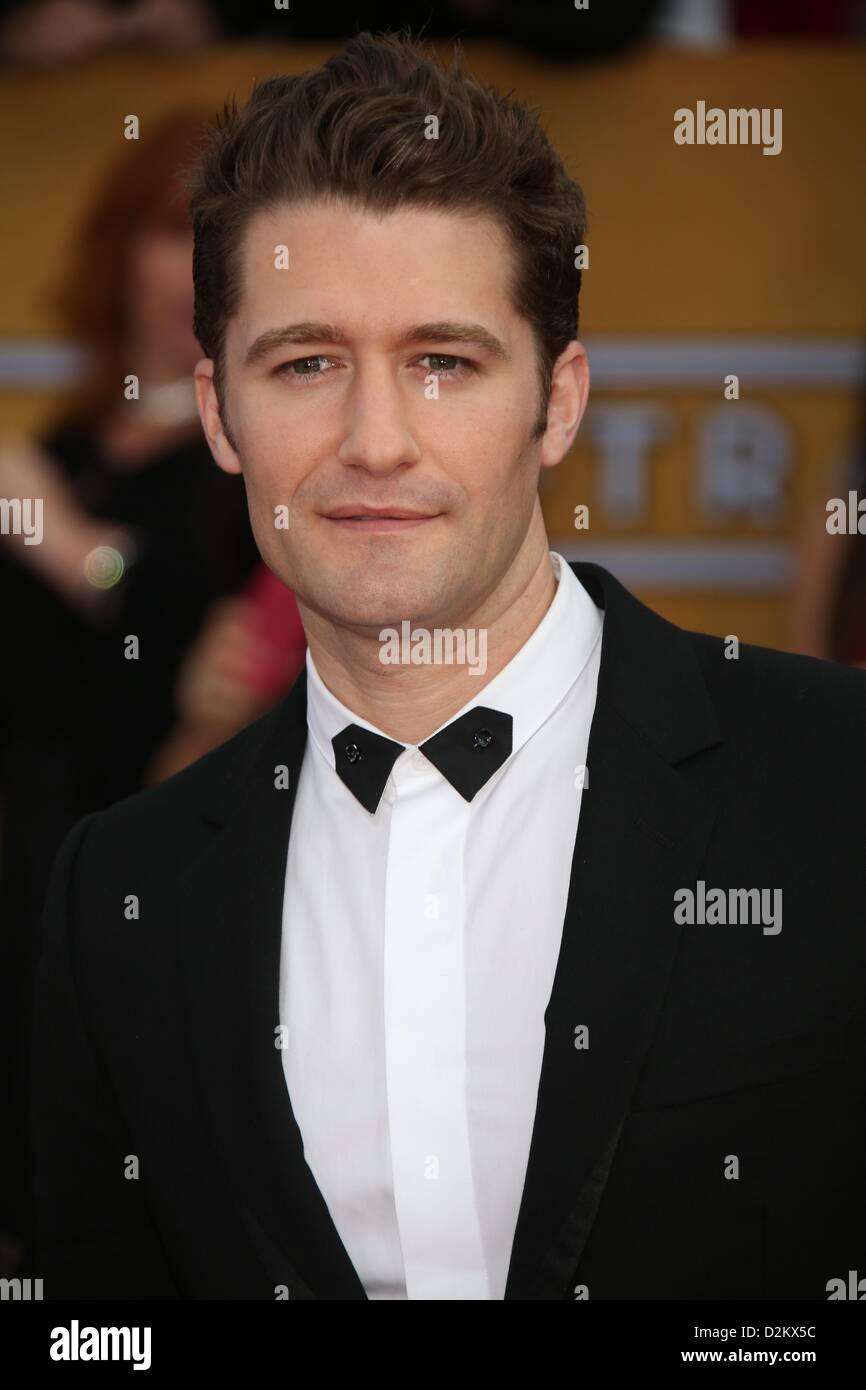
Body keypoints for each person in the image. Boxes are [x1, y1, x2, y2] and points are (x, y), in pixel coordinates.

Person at [29, 30, 866, 1301]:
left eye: (442, 362)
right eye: (306, 363)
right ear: (217, 414)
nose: (374, 441)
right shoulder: (120, 898)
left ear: (558, 401)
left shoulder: (834, 778)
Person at [0, 108, 258, 1275]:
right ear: (119, 251)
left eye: (223, 237)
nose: (191, 269)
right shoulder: (58, 443)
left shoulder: (257, 456)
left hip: (156, 904)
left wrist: (67, 543)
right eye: (168, 232)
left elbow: (197, 641)